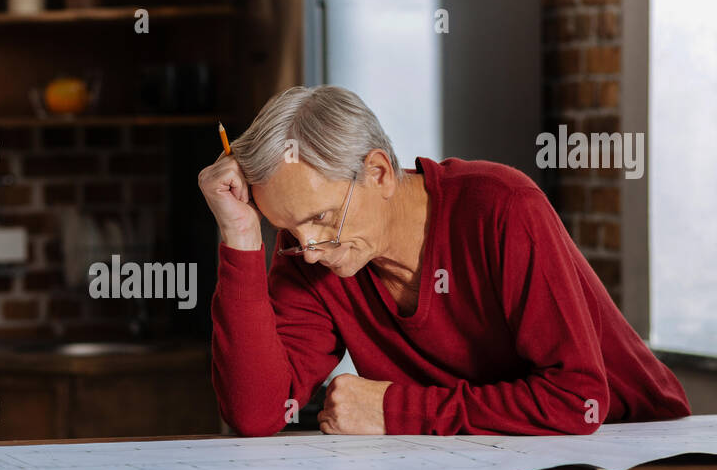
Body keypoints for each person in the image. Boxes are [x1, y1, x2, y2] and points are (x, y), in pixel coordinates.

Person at [199, 85, 691, 436]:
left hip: (634, 448)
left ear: (379, 172)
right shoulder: (314, 252)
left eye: (323, 217)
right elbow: (257, 413)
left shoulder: (502, 208)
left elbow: (577, 400)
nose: (308, 247)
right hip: (495, 457)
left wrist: (396, 410)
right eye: (288, 229)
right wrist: (241, 236)